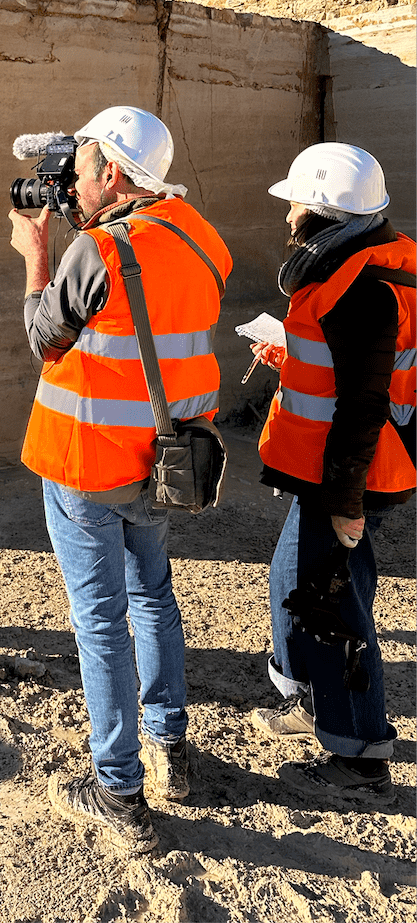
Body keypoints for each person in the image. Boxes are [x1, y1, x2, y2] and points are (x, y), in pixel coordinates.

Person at [9, 106, 232, 854]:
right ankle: (172, 749)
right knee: (153, 595)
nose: (69, 183)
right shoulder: (204, 241)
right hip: (162, 461)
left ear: (112, 173)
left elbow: (47, 335)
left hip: (86, 464)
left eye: (79, 170)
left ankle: (119, 790)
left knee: (100, 619)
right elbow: (139, 305)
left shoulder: (96, 251)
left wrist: (36, 253)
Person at [249, 143, 414, 804]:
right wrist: (294, 359)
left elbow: (365, 405)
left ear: (319, 210)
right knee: (293, 577)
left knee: (335, 609)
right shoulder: (353, 270)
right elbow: (345, 375)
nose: (287, 210)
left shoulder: (364, 289)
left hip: (350, 474)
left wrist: (347, 502)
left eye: (294, 200)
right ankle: (309, 698)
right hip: (326, 471)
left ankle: (360, 760)